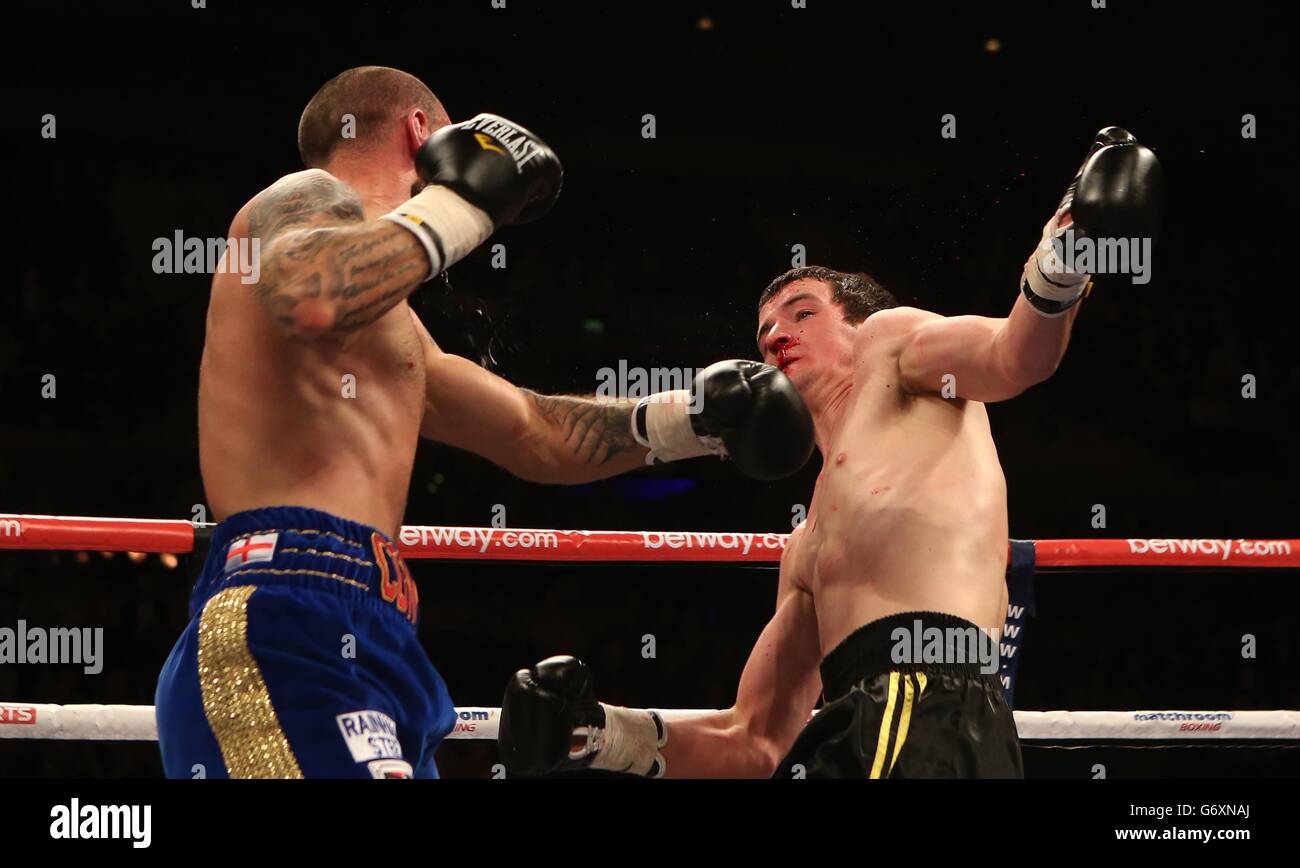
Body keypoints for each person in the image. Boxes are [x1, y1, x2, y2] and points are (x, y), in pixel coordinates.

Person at [155, 66, 813, 779]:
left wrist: (695, 418)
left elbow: (536, 432)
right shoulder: (303, 198)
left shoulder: (397, 334)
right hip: (283, 613)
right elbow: (313, 296)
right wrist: (465, 202)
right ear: (422, 132)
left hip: (377, 627)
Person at [498, 127, 1163, 778]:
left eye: (802, 313)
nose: (775, 335)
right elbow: (753, 740)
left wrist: (1062, 260)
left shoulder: (893, 346)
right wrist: (602, 735)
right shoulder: (808, 539)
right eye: (763, 333)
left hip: (926, 704)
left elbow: (1016, 357)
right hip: (869, 720)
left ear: (856, 321)